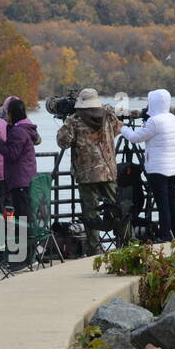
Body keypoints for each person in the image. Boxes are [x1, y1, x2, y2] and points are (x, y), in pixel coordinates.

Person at [56, 87, 121, 256]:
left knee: (90, 212)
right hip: (108, 171)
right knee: (117, 209)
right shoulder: (108, 115)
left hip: (86, 174)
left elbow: (63, 142)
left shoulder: (74, 120)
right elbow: (117, 131)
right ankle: (126, 241)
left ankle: (95, 248)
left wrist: (66, 120)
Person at [120, 89, 175, 242]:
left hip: (157, 168)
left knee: (162, 203)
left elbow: (135, 138)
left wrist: (121, 127)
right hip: (173, 167)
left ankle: (165, 235)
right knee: (173, 201)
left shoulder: (154, 121)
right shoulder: (172, 118)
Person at [0, 97, 40, 220]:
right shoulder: (25, 128)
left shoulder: (18, 131)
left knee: (22, 216)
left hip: (20, 180)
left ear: (11, 114)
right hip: (26, 177)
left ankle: (24, 239)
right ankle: (26, 238)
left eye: (7, 112)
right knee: (25, 214)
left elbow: (12, 154)